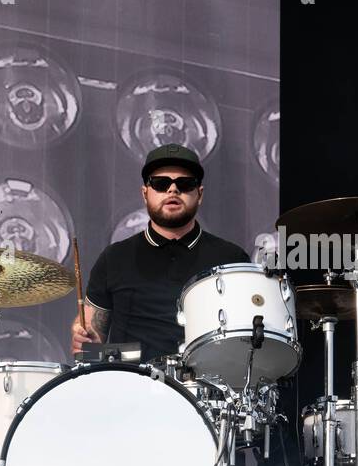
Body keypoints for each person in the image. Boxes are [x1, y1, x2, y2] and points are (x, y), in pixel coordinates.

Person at [71, 143, 247, 360]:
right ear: (145, 194)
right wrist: (86, 340)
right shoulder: (114, 258)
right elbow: (91, 339)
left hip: (206, 385)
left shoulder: (231, 258)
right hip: (130, 384)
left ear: (199, 194)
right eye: (161, 183)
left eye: (185, 184)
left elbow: (245, 343)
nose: (173, 190)